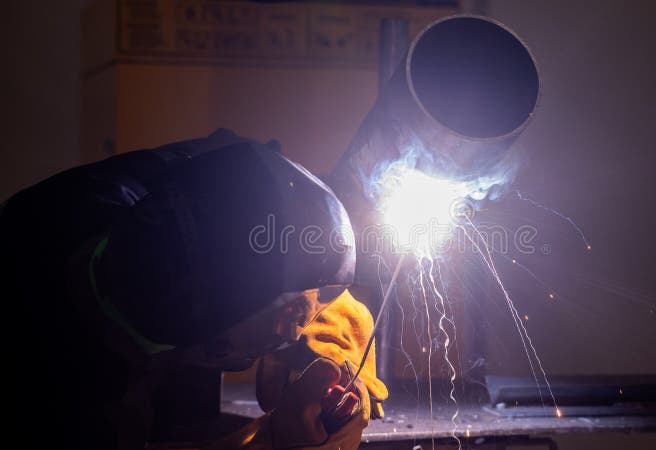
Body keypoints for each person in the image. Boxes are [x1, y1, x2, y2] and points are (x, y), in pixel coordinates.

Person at [1, 129, 387, 449]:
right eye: (289, 324)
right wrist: (276, 440)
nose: (297, 332)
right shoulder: (81, 408)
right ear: (212, 343)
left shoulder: (142, 190)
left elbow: (258, 193)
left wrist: (328, 343)